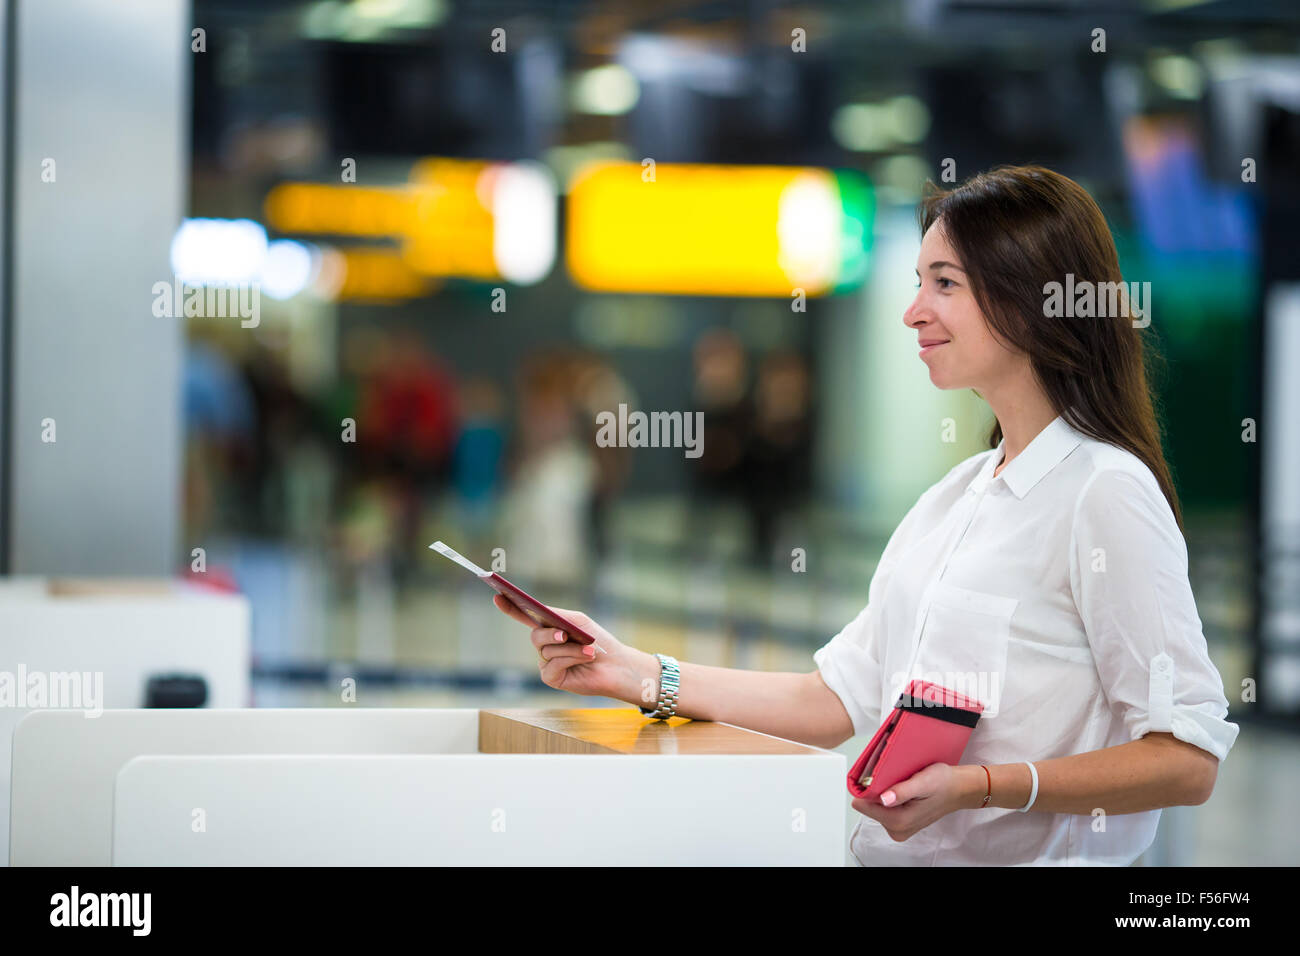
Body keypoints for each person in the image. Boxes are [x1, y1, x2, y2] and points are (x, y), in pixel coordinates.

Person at [491, 165, 1238, 866]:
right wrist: (635, 671)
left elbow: (1185, 759)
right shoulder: (956, 498)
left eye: (943, 283)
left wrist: (983, 786)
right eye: (919, 282)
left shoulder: (1104, 492)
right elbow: (834, 698)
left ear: (1029, 297)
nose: (914, 311)